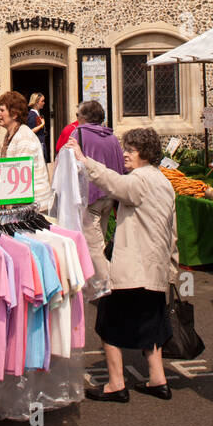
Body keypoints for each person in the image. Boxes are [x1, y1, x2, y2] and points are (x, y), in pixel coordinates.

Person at [68, 126, 177, 401]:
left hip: (134, 268)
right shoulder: (164, 182)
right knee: (152, 322)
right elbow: (173, 232)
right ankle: (157, 379)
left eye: (129, 150)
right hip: (154, 268)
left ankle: (116, 384)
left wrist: (84, 159)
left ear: (144, 154)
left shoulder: (140, 181)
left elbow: (114, 182)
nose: (125, 155)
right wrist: (172, 268)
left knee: (107, 321)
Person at [67, 100, 126, 299]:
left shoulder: (79, 134)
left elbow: (71, 163)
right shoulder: (111, 137)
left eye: (78, 115)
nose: (76, 119)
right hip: (109, 195)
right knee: (99, 235)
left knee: (94, 244)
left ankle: (110, 284)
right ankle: (99, 280)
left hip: (91, 195)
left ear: (84, 117)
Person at [0, 90, 52, 210]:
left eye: (2, 110)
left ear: (14, 114)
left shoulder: (24, 137)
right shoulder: (10, 135)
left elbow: (21, 177)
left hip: (34, 207)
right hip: (22, 204)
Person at [26, 93, 49, 161]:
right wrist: (41, 125)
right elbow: (30, 131)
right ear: (36, 102)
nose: (44, 103)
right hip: (36, 146)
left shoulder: (37, 114)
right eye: (42, 101)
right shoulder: (32, 115)